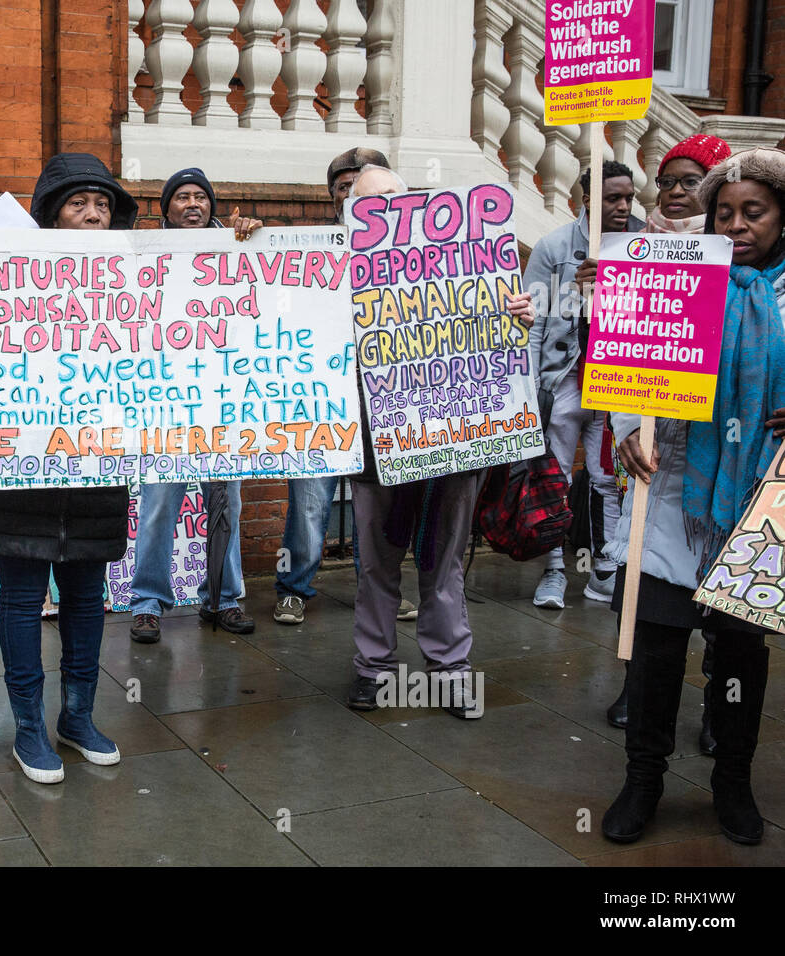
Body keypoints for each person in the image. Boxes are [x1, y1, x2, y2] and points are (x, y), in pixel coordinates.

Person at [602, 147, 785, 846]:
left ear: (780, 218)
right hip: (673, 491)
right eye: (725, 212)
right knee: (653, 651)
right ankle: (642, 779)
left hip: (758, 503)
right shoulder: (675, 273)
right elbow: (626, 363)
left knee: (740, 654)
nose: (738, 225)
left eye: (755, 212)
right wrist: (627, 430)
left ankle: (732, 784)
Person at [0, 153, 135, 784]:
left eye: (104, 204)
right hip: (20, 472)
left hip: (96, 466)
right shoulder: (1, 260)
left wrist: (240, 239)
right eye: (78, 202)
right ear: (49, 212)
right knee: (24, 600)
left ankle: (77, 718)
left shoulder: (137, 274)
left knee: (88, 599)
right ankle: (29, 727)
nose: (92, 213)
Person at [343, 166, 534, 719]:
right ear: (352, 212)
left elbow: (501, 349)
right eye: (372, 205)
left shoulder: (462, 264)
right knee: (378, 563)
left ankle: (448, 671)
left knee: (444, 560)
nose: (388, 213)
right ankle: (373, 670)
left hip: (453, 441)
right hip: (378, 449)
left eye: (396, 200)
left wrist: (518, 315)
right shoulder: (334, 271)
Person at [602, 134, 731, 740]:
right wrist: (627, 425)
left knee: (723, 611)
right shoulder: (636, 256)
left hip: (726, 466)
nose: (678, 193)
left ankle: (717, 707)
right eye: (670, 181)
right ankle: (642, 701)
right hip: (661, 460)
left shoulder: (752, 269)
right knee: (650, 600)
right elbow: (622, 353)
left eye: (693, 183)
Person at [272, 147, 416, 626]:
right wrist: (247, 244)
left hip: (383, 397)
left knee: (375, 508)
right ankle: (293, 588)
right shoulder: (311, 245)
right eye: (344, 187)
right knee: (310, 504)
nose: (356, 195)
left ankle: (378, 589)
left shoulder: (415, 250)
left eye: (368, 186)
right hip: (321, 400)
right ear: (335, 195)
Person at [128, 168, 262, 644]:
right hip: (165, 406)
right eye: (181, 197)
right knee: (160, 505)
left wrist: (249, 237)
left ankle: (223, 598)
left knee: (227, 503)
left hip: (223, 405)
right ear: (165, 209)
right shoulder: (139, 251)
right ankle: (147, 604)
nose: (192, 204)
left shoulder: (236, 247)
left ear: (212, 207)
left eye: (201, 197)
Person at [524, 160, 644, 610]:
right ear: (587, 200)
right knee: (551, 476)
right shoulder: (554, 245)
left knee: (608, 478)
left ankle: (605, 570)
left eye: (628, 197)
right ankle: (553, 569)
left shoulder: (640, 246)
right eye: (613, 197)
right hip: (564, 380)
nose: (623, 205)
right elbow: (532, 320)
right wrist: (531, 386)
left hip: (613, 383)